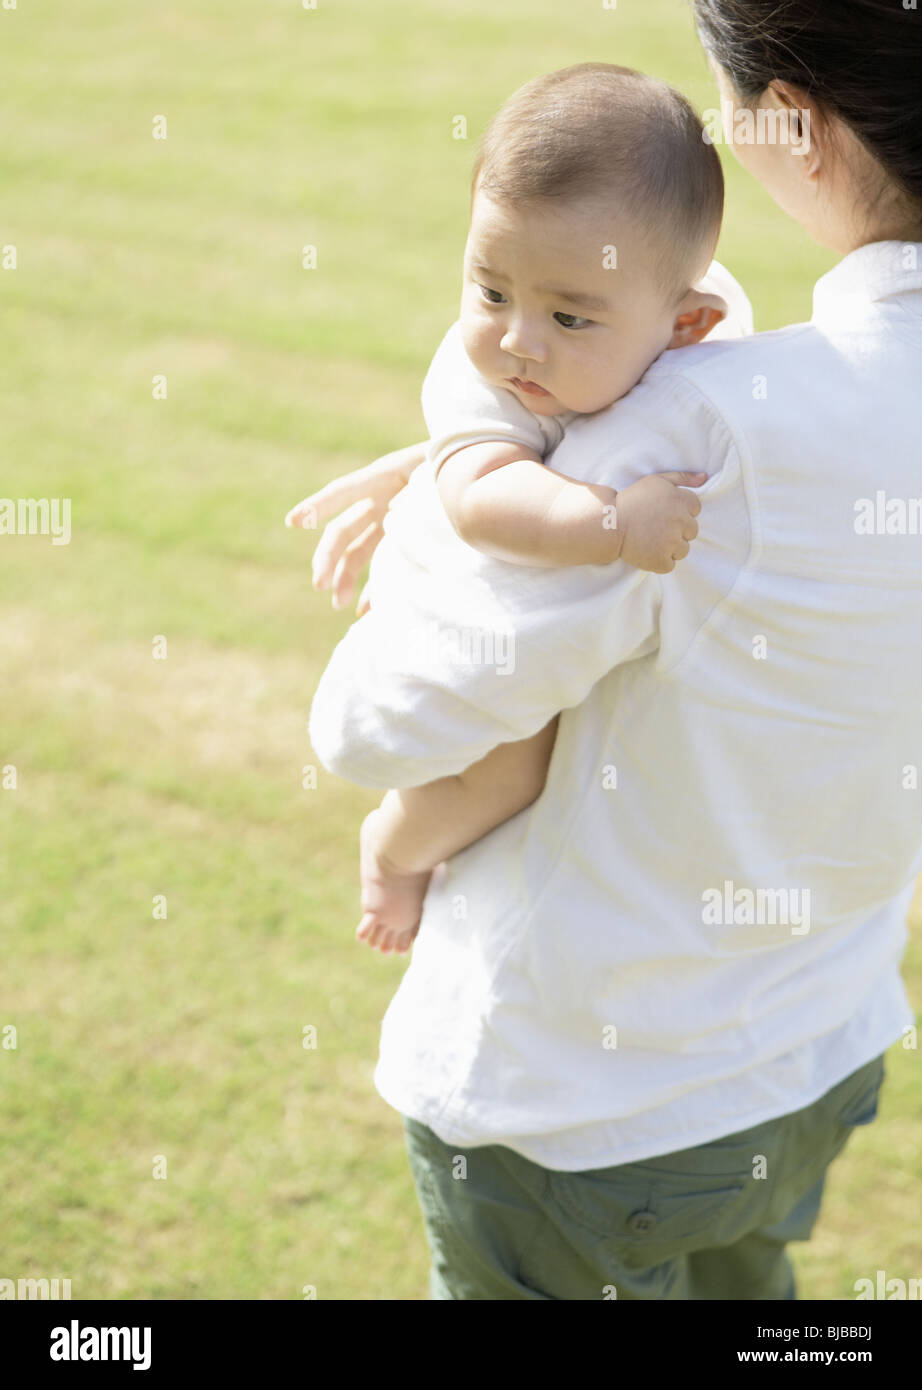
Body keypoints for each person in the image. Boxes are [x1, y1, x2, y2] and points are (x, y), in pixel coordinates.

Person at [297, 0, 922, 1299]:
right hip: (818, 1048)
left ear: (791, 120)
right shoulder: (737, 406)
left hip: (587, 1106)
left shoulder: (689, 429)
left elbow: (376, 725)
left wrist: (436, 509)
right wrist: (462, 459)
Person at [289, 63, 756, 956]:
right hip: (443, 609)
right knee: (511, 766)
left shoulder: (702, 336)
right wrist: (616, 523)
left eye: (569, 318)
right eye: (490, 290)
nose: (516, 339)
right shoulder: (485, 372)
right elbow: (479, 496)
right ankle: (393, 848)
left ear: (686, 326)